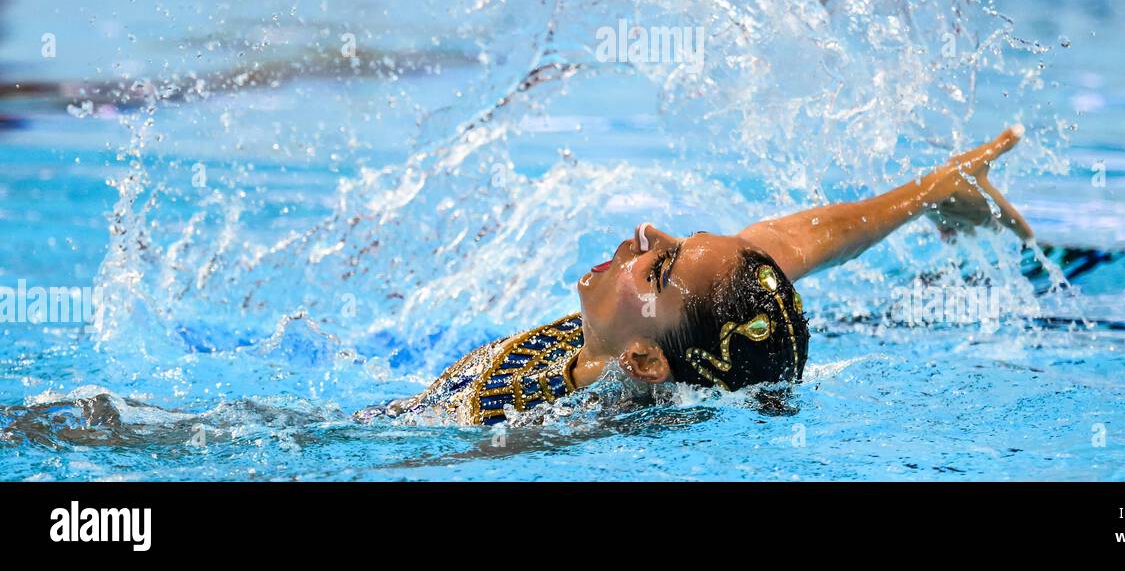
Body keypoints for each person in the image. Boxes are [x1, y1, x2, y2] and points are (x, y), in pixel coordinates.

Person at [357, 125, 1033, 425]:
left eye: (661, 267)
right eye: (681, 241)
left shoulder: (536, 423)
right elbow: (808, 238)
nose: (648, 236)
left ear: (644, 360)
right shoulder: (692, 328)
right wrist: (937, 189)